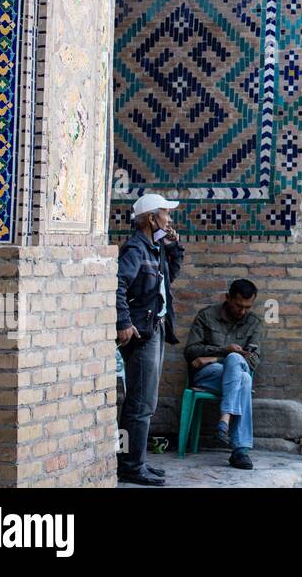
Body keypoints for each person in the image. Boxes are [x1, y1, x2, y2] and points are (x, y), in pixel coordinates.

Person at [116, 193, 184, 486]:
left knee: (145, 402)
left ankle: (133, 460)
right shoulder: (135, 249)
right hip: (141, 332)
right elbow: (117, 285)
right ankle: (130, 465)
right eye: (166, 214)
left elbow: (170, 278)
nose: (170, 219)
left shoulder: (154, 248)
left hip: (155, 329)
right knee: (140, 403)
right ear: (151, 219)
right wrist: (124, 322)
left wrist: (173, 245)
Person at [185, 279, 266, 470]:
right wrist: (224, 351)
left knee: (241, 372)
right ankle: (240, 450)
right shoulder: (206, 316)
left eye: (248, 307)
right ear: (228, 298)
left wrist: (214, 358)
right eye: (239, 306)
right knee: (241, 377)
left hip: (223, 369)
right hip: (207, 377)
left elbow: (253, 361)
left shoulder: (254, 323)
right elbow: (190, 352)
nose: (243, 311)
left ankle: (224, 421)